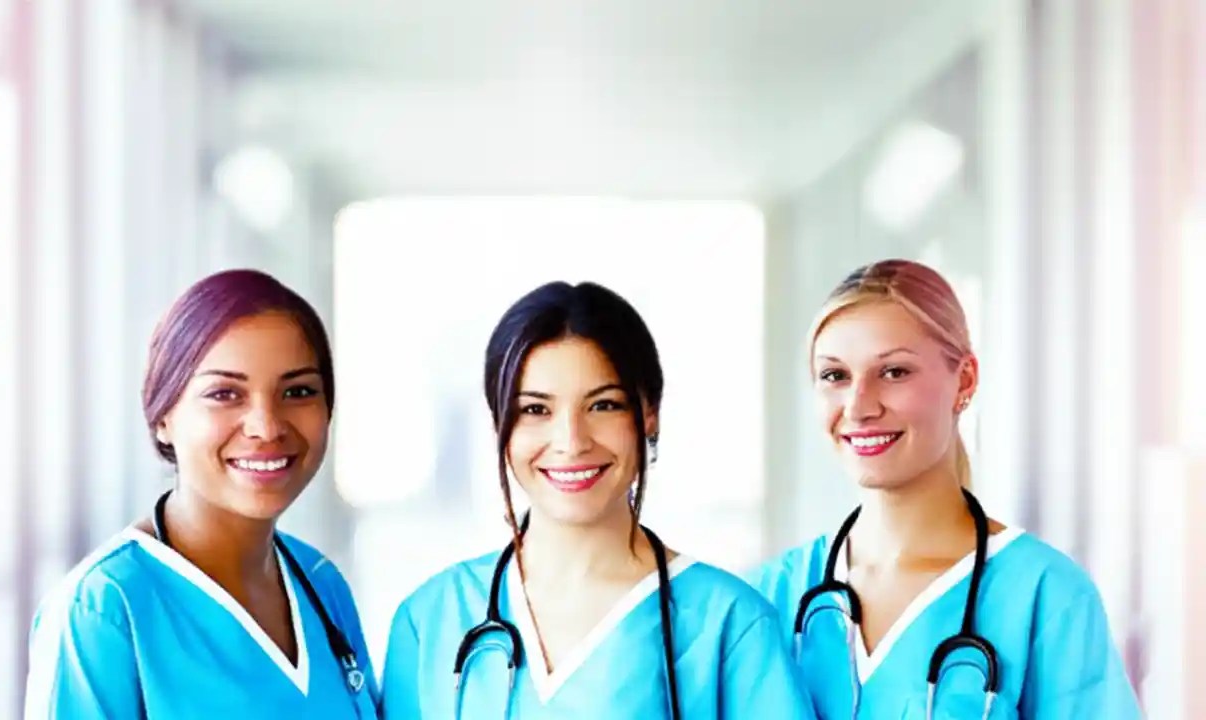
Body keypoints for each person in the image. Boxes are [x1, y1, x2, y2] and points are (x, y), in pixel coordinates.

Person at [379, 281, 815, 719]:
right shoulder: (432, 618)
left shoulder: (729, 623)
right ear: (499, 424)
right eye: (535, 410)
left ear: (649, 414)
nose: (571, 442)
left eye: (603, 405)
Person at [747, 259, 1142, 718]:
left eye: (894, 372)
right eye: (835, 376)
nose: (858, 407)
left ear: (965, 381)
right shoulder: (768, 598)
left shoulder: (1044, 596)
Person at [23, 269, 379, 719]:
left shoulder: (320, 584)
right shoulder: (103, 609)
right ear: (163, 415)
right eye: (225, 393)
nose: (266, 426)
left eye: (298, 391)